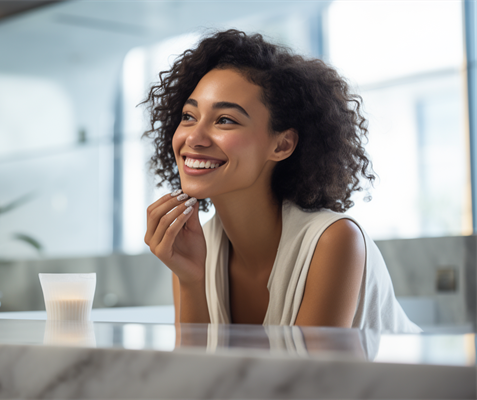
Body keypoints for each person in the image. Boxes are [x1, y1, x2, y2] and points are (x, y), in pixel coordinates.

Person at [143, 30, 420, 332]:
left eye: (225, 120)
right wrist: (191, 280)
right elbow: (193, 377)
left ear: (282, 145)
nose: (193, 138)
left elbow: (303, 378)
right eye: (188, 116)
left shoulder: (334, 241)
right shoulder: (193, 246)